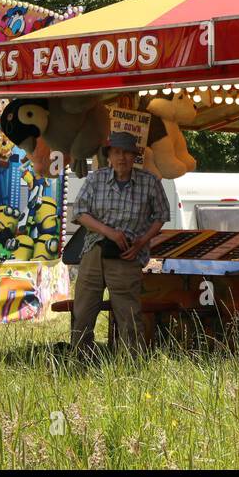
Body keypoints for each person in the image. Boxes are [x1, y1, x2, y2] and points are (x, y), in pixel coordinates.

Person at [70, 131, 169, 352]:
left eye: (126, 153)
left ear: (135, 157)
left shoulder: (149, 182)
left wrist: (141, 243)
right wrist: (108, 232)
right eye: (116, 152)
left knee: (128, 314)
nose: (121, 158)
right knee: (84, 309)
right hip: (95, 249)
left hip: (127, 253)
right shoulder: (96, 179)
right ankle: (79, 360)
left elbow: (161, 216)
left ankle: (130, 364)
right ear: (109, 156)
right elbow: (79, 212)